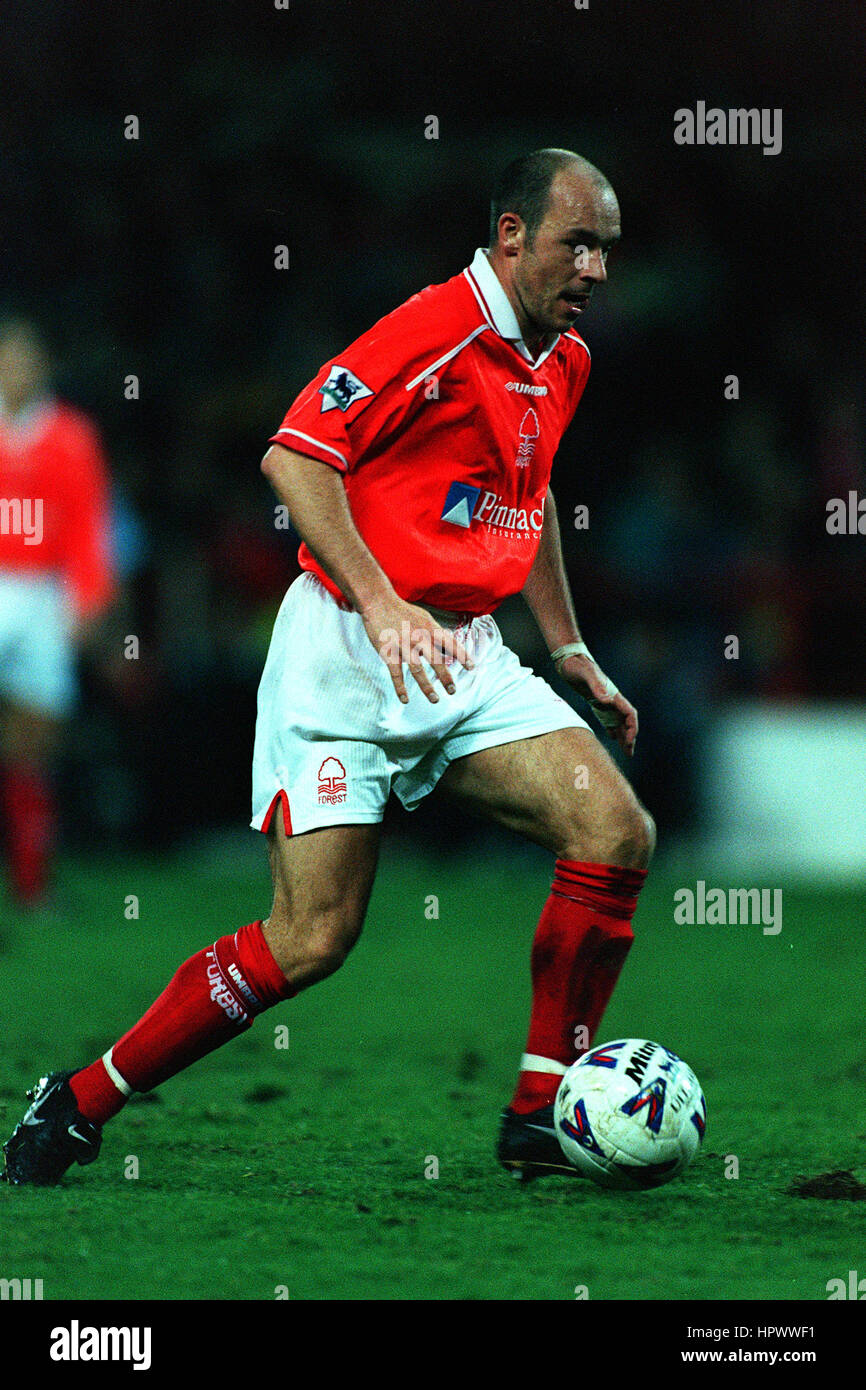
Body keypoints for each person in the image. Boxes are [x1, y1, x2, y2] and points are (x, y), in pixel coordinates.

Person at [3, 148, 654, 1187]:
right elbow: (295, 455)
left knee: (614, 831)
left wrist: (567, 644)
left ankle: (539, 1107)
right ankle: (82, 1097)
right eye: (578, 244)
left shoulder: (560, 359)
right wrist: (384, 604)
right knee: (311, 937)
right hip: (345, 653)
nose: (596, 270)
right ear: (509, 238)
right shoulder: (429, 330)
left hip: (458, 654)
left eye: (608, 251)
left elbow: (525, 507)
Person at [0, 318, 115, 909]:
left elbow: (89, 526)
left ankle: (32, 883)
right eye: (7, 361)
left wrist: (88, 599)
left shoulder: (70, 436)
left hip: (42, 595)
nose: (15, 372)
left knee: (34, 742)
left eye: (24, 361)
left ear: (41, 368)